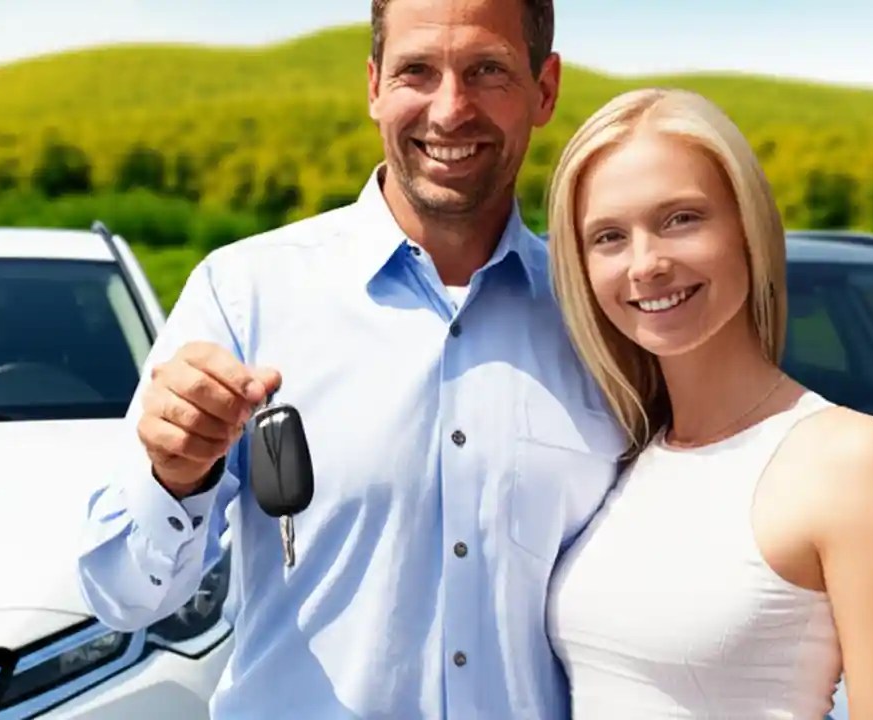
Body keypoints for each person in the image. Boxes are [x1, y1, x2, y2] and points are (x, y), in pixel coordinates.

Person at [75, 0, 625, 717]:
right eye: (416, 72)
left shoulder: (602, 325)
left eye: (487, 70)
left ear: (544, 89)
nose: (450, 109)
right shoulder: (245, 295)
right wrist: (174, 478)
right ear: (373, 86)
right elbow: (121, 595)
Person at [544, 87, 873, 718]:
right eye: (610, 236)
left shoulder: (849, 459)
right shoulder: (616, 455)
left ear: (749, 227)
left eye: (681, 219)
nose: (646, 264)